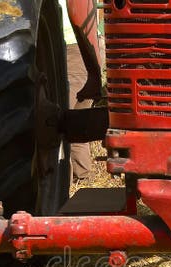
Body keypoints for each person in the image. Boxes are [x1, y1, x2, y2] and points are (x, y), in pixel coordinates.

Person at [63, 0, 102, 182]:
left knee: (59, 119)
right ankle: (83, 180)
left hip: (74, 48)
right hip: (86, 45)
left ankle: (63, 183)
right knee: (77, 120)